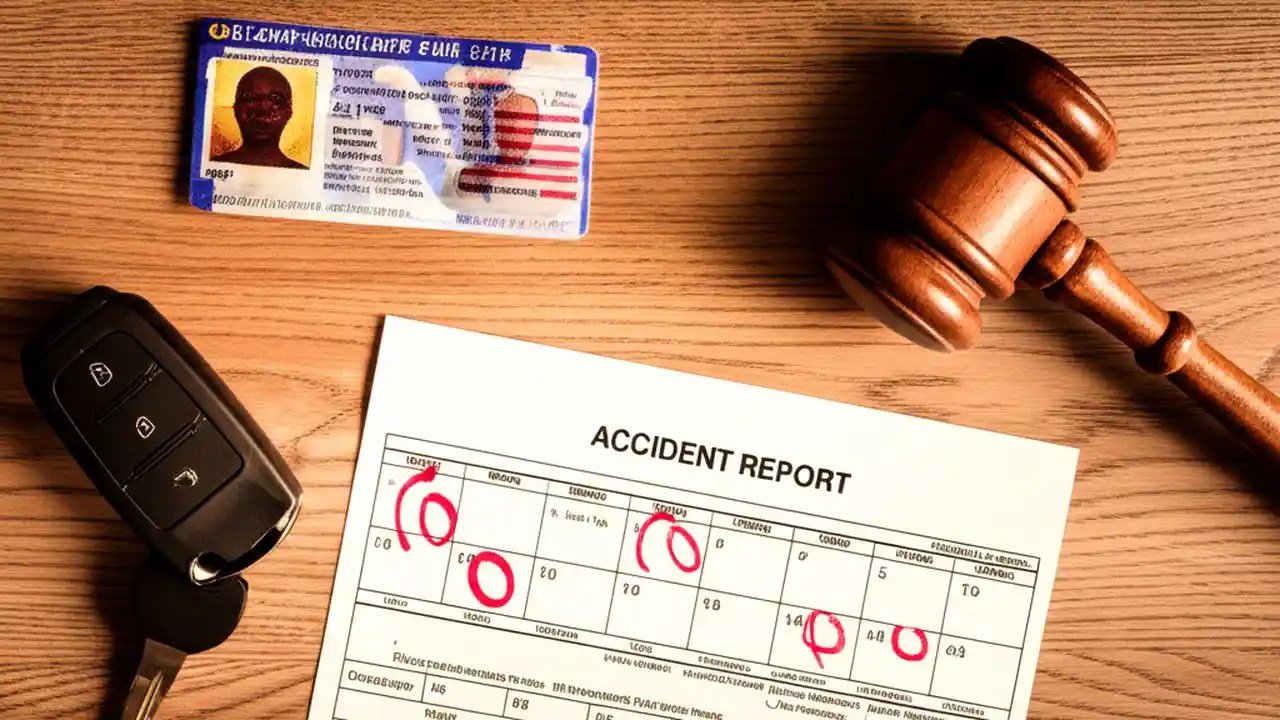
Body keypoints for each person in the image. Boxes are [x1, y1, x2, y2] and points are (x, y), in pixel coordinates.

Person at [212, 66, 307, 169]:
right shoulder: (214, 167)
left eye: (276, 99)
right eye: (251, 98)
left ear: (288, 113)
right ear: (235, 109)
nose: (263, 108)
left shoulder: (305, 176)